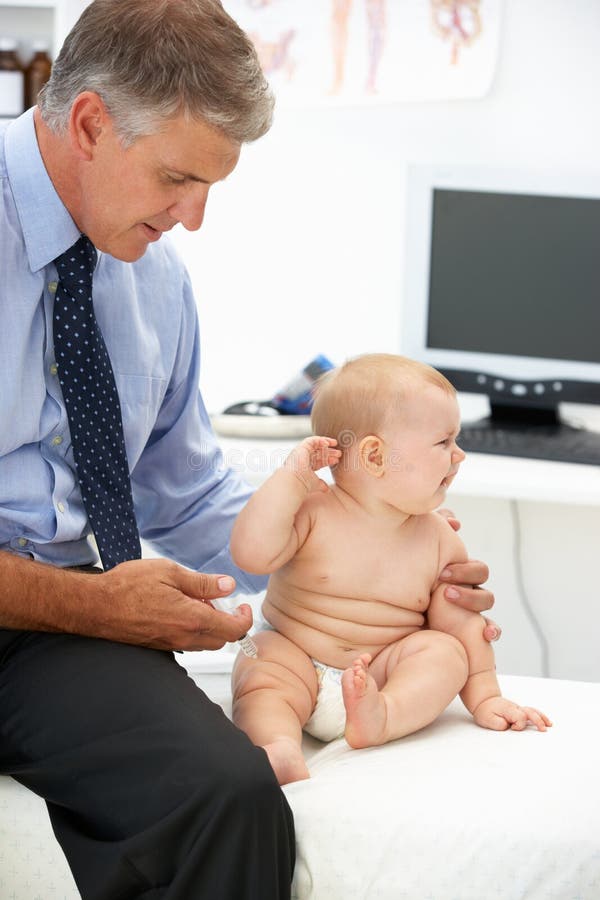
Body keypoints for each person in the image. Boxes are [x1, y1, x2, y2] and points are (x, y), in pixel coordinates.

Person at [0, 2, 496, 896]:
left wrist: (365, 556)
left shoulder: (153, 281)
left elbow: (184, 493)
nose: (193, 219)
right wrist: (99, 609)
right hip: (66, 609)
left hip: (48, 634)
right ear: (88, 124)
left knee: (230, 795)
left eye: (212, 187)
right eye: (177, 178)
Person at [230, 354, 551, 786]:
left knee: (444, 652)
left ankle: (383, 717)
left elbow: (459, 624)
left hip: (380, 675)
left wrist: (486, 697)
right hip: (298, 660)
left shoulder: (440, 539)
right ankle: (278, 744)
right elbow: (251, 554)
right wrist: (290, 478)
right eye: (444, 442)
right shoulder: (311, 511)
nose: (460, 455)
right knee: (262, 660)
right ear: (376, 457)